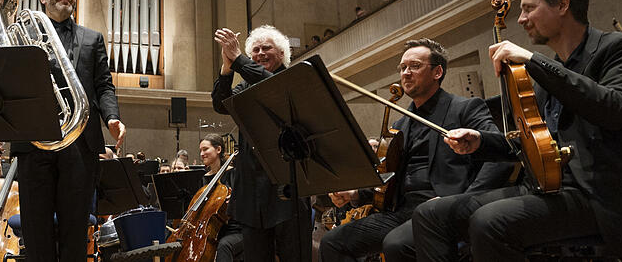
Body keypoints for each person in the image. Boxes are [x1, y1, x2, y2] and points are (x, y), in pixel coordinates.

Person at [410, 0, 622, 261]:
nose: (520, 19)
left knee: (488, 222)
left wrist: (534, 61)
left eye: (529, 8)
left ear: (562, 5)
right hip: (546, 188)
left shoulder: (620, 49)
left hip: (598, 193)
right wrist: (480, 141)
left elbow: (616, 109)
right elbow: (531, 143)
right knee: (431, 214)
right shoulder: (549, 75)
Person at [319, 39, 510, 262]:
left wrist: (463, 202)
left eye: (415, 66)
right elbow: (391, 181)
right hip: (402, 211)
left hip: (444, 207)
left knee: (397, 244)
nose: (406, 73)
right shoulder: (400, 126)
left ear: (437, 72)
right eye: (402, 68)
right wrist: (356, 194)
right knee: (332, 242)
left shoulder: (465, 108)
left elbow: (501, 156)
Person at [13, 0, 127, 262]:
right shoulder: (21, 36)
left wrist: (111, 117)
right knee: (35, 231)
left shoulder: (92, 39)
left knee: (75, 230)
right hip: (34, 141)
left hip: (80, 143)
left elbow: (104, 85)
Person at [212, 25, 312, 262]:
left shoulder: (288, 79)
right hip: (251, 191)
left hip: (287, 187)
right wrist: (227, 68)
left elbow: (270, 87)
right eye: (255, 50)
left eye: (267, 48)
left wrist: (239, 58)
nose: (260, 53)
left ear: (282, 54)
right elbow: (220, 104)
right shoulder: (246, 86)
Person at [199, 133, 243, 262]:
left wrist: (235, 201)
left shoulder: (233, 174)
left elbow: (242, 203)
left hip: (236, 230)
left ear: (218, 149)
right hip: (213, 231)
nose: (202, 154)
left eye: (205, 149)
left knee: (224, 246)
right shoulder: (204, 178)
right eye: (200, 150)